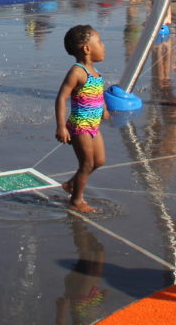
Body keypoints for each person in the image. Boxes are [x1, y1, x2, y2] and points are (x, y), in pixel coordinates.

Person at [54, 25, 106, 213]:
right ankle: (76, 200)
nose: (103, 45)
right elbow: (61, 98)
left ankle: (71, 184)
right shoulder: (77, 72)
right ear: (87, 49)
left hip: (93, 125)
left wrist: (104, 109)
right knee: (87, 163)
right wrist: (61, 126)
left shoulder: (94, 71)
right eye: (99, 42)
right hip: (79, 125)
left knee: (99, 160)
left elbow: (97, 92)